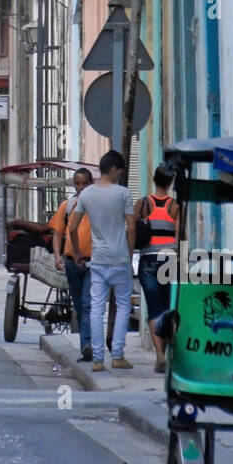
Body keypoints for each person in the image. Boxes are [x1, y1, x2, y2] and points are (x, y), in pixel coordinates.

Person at [68, 150, 136, 371]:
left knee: (96, 308)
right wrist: (129, 253)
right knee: (124, 305)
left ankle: (98, 359)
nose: (120, 175)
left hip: (98, 260)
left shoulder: (87, 195)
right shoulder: (123, 193)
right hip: (120, 259)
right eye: (120, 171)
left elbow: (73, 227)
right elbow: (132, 227)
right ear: (114, 169)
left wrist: (77, 252)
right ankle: (117, 355)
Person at [134, 165, 178, 374]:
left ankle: (159, 355)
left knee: (154, 309)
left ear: (153, 179)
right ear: (170, 182)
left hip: (148, 260)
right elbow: (180, 238)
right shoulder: (176, 206)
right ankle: (165, 353)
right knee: (169, 310)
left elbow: (132, 229)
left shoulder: (143, 204)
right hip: (170, 260)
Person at [50, 167, 94, 361]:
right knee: (78, 304)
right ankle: (86, 343)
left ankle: (87, 345)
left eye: (85, 183)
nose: (81, 187)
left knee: (87, 304)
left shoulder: (96, 206)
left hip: (93, 263)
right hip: (71, 263)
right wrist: (57, 256)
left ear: (91, 184)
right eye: (78, 183)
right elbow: (58, 233)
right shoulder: (67, 206)